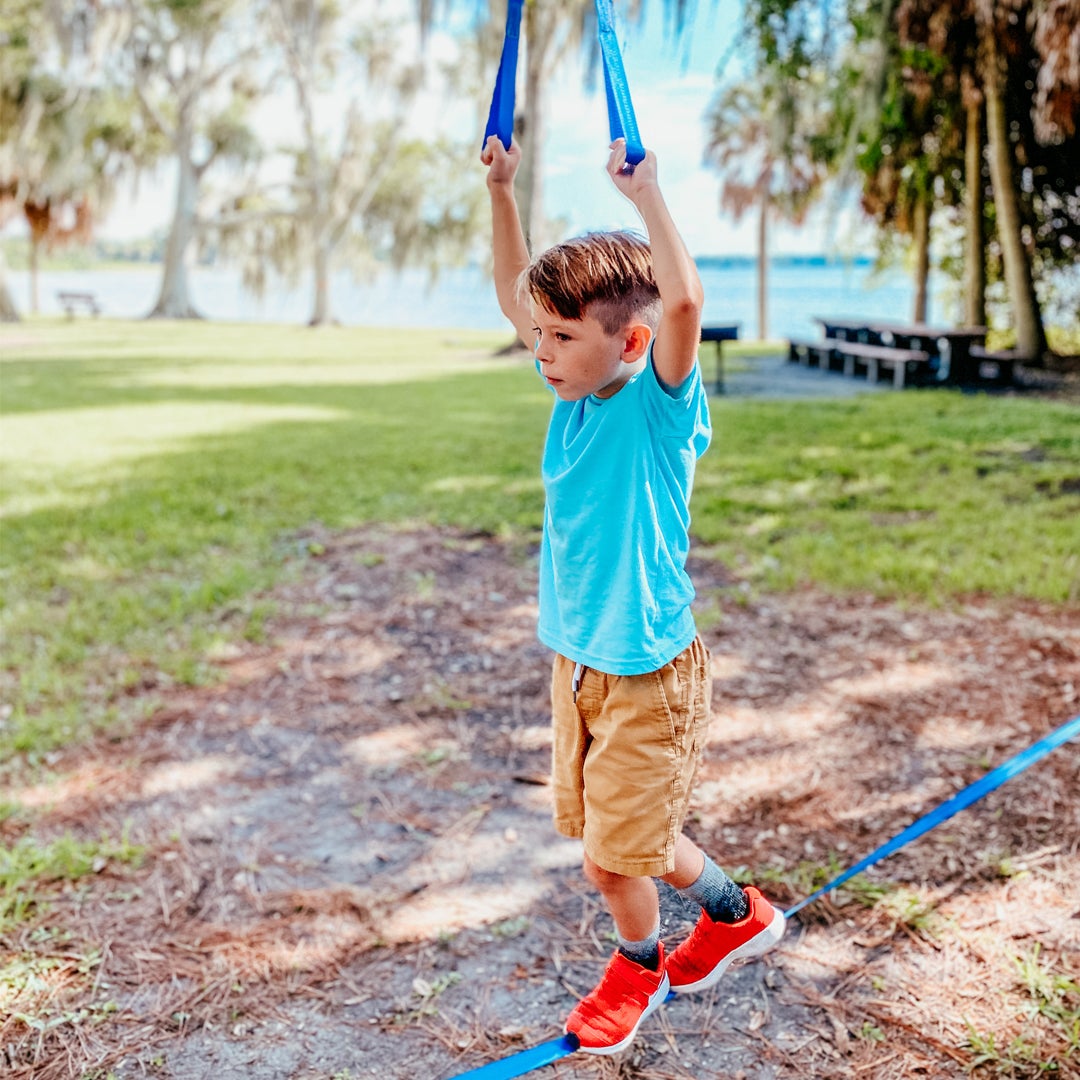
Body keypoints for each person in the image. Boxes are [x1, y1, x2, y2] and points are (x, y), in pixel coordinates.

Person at [480, 133, 785, 1056]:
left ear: (632, 343)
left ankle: (640, 965)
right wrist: (502, 190)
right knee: (635, 835)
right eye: (540, 335)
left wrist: (647, 193)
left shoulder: (656, 406)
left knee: (612, 858)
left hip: (650, 671)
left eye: (562, 338)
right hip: (581, 667)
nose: (541, 351)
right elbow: (513, 293)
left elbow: (683, 296)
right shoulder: (570, 398)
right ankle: (734, 914)